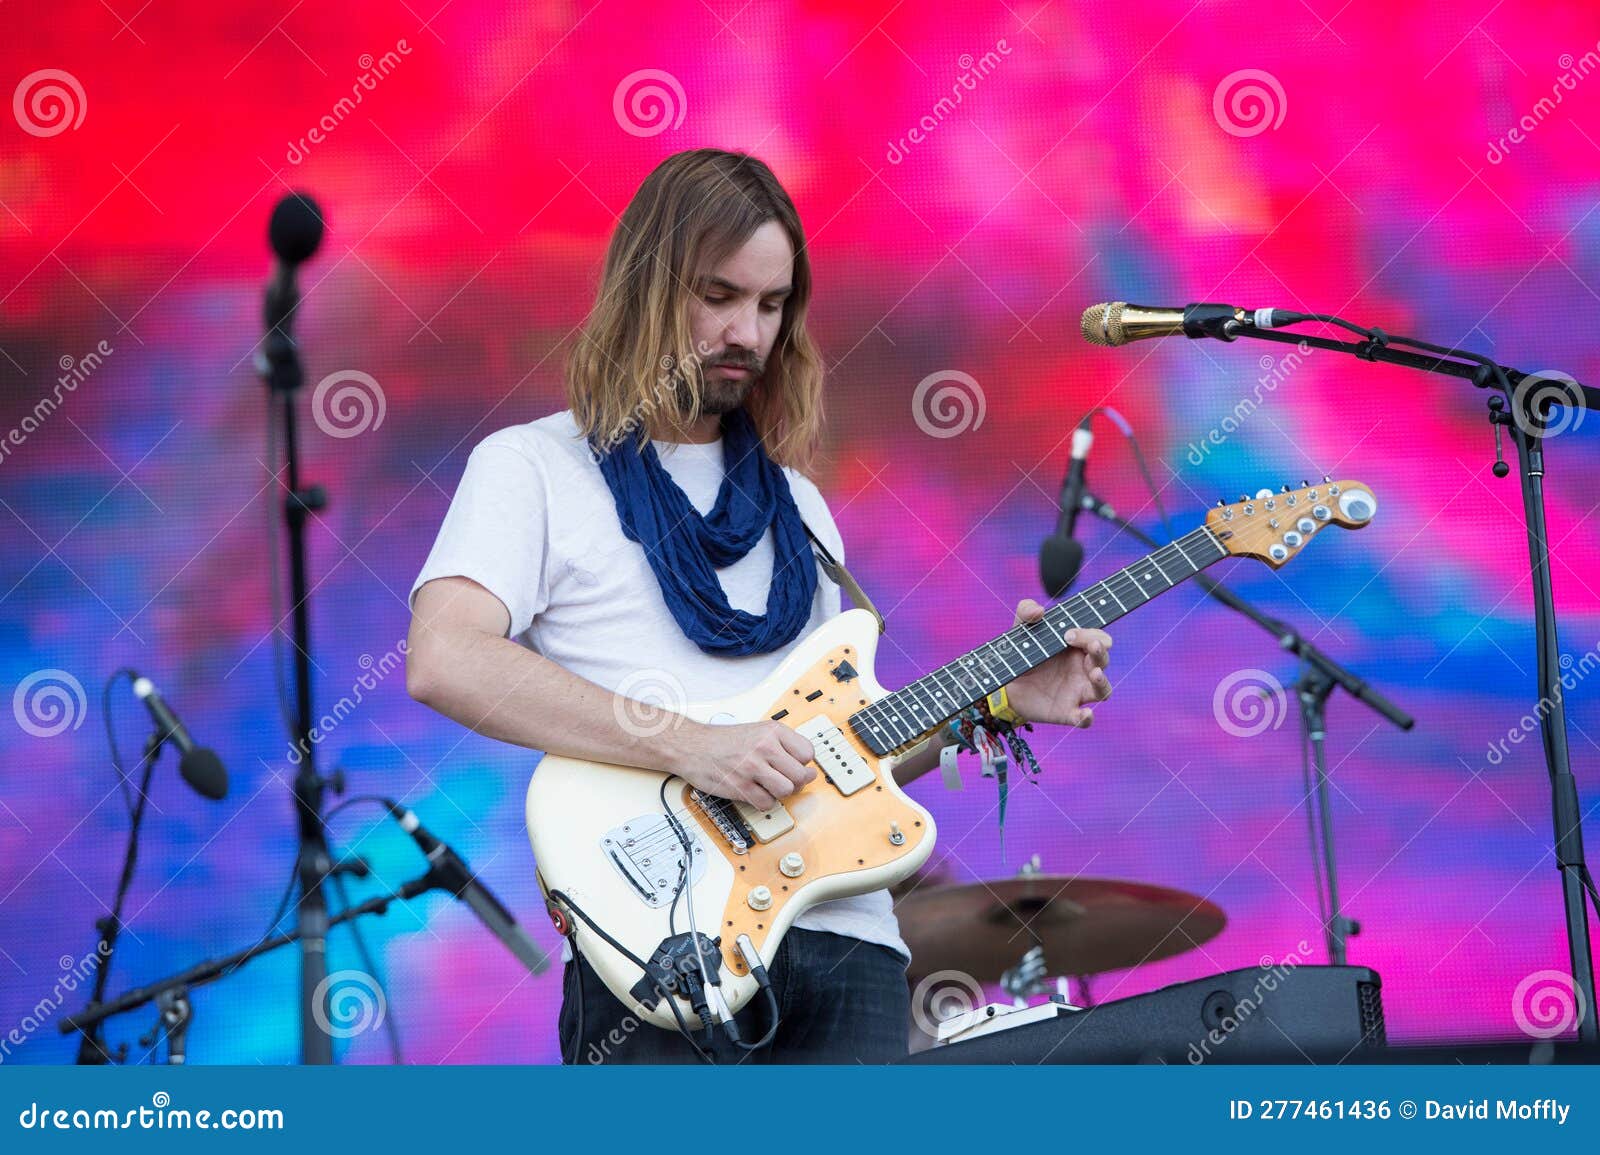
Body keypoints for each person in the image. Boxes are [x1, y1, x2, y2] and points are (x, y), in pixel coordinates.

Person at [406, 147, 1113, 1064]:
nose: (748, 330)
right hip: (667, 950)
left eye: (773, 306)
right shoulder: (533, 466)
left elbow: (839, 756)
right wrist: (695, 745)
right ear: (647, 288)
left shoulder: (800, 509)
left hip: (852, 950)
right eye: (719, 295)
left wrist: (1001, 701)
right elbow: (445, 658)